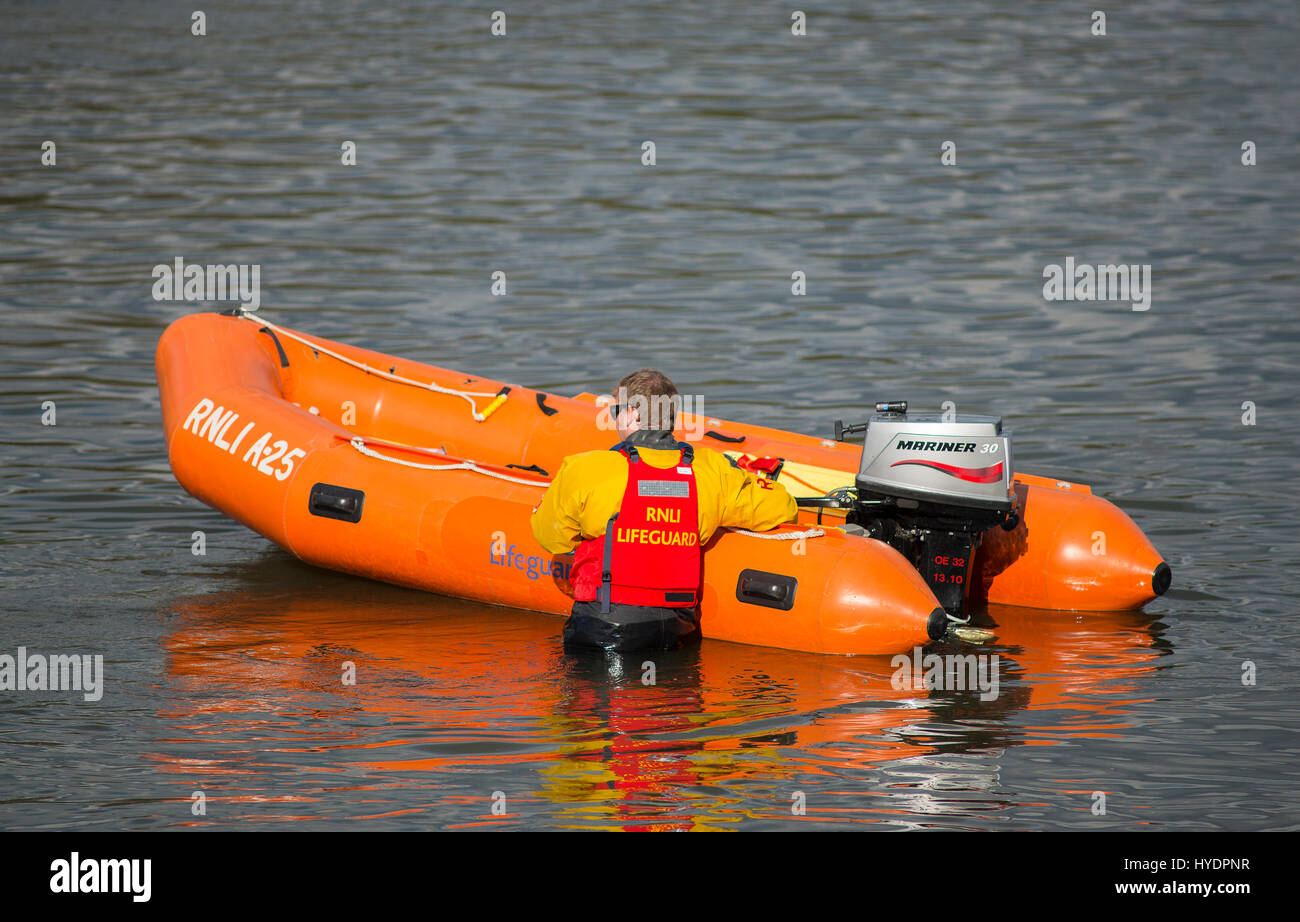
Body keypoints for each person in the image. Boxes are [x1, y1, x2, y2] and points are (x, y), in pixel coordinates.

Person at [530, 369, 797, 651]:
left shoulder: (587, 468)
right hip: (677, 629)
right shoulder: (712, 470)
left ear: (631, 413)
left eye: (614, 411)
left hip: (606, 628)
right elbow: (784, 507)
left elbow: (551, 538)